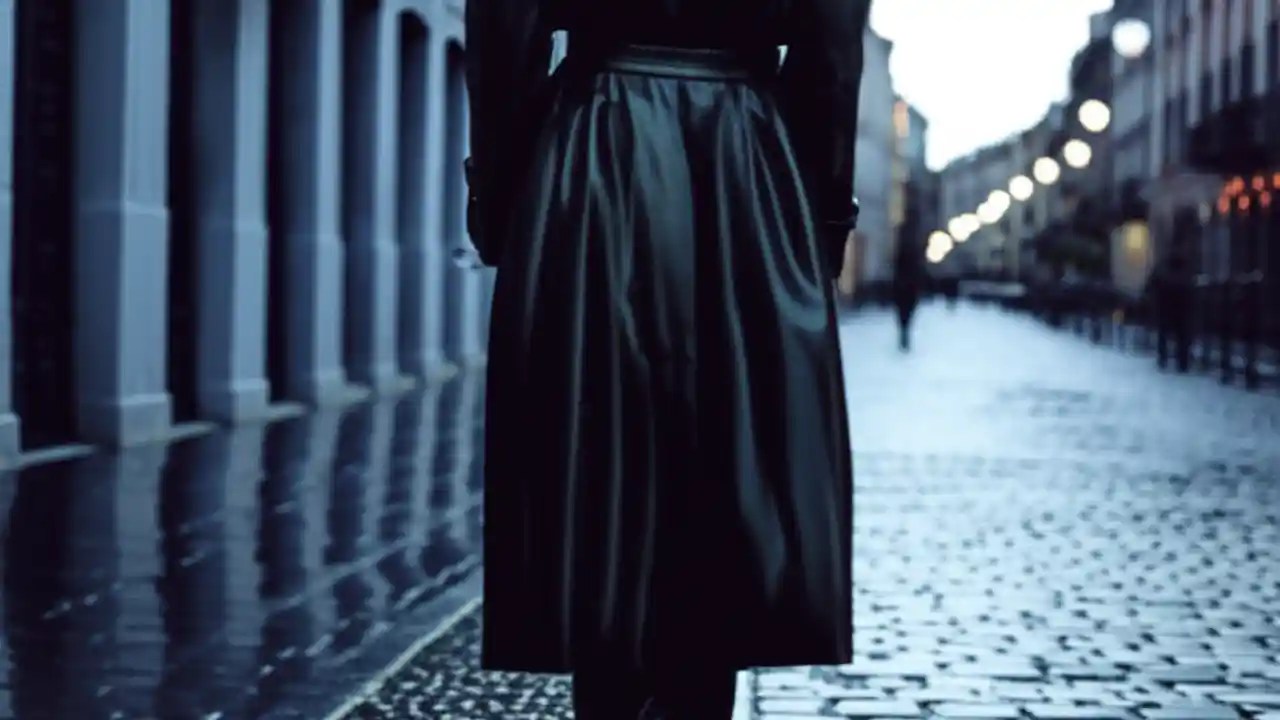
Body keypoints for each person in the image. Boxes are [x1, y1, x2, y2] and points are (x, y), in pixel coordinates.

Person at [465, 1, 870, 716]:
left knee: (598, 445)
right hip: (743, 156)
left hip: (601, 141)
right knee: (725, 455)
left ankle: (608, 680)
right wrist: (823, 212)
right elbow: (831, 55)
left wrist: (501, 190)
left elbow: (506, 28)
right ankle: (699, 687)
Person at [892, 237, 922, 351]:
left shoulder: (901, 273)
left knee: (903, 321)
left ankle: (903, 340)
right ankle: (905, 340)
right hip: (907, 298)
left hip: (903, 298)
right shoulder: (913, 271)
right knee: (906, 321)